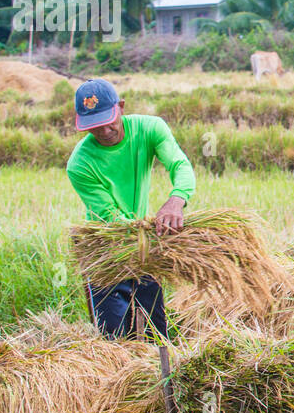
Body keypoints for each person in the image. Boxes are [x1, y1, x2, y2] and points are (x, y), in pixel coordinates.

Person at [66, 78, 196, 339]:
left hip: (143, 245)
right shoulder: (79, 164)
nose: (103, 131)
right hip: (105, 250)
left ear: (121, 107)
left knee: (155, 331)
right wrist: (148, 232)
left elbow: (179, 165)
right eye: (94, 127)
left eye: (107, 121)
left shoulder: (149, 128)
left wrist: (176, 200)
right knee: (115, 337)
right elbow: (111, 216)